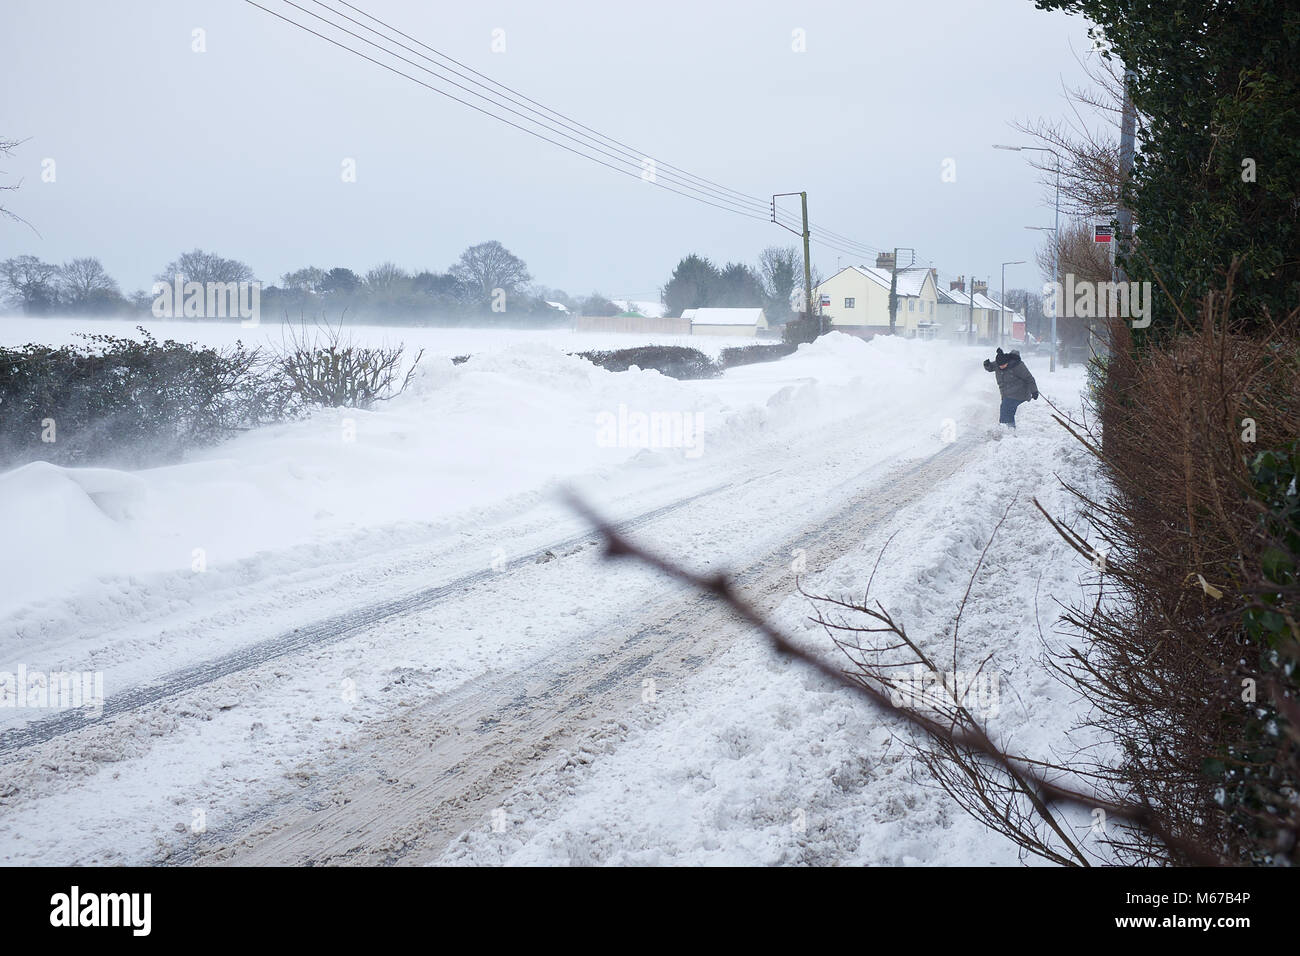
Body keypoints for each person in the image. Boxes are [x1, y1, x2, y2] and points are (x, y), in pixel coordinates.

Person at [982, 347, 1039, 428]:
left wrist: (1034, 391)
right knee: (1008, 411)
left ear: (1007, 362)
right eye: (1000, 365)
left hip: (1019, 392)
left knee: (1006, 409)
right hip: (1006, 393)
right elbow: (991, 367)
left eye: (1003, 365)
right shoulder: (998, 364)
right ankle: (1009, 429)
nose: (1001, 367)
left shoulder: (1017, 365)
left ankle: (1006, 428)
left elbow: (1029, 378)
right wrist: (987, 365)